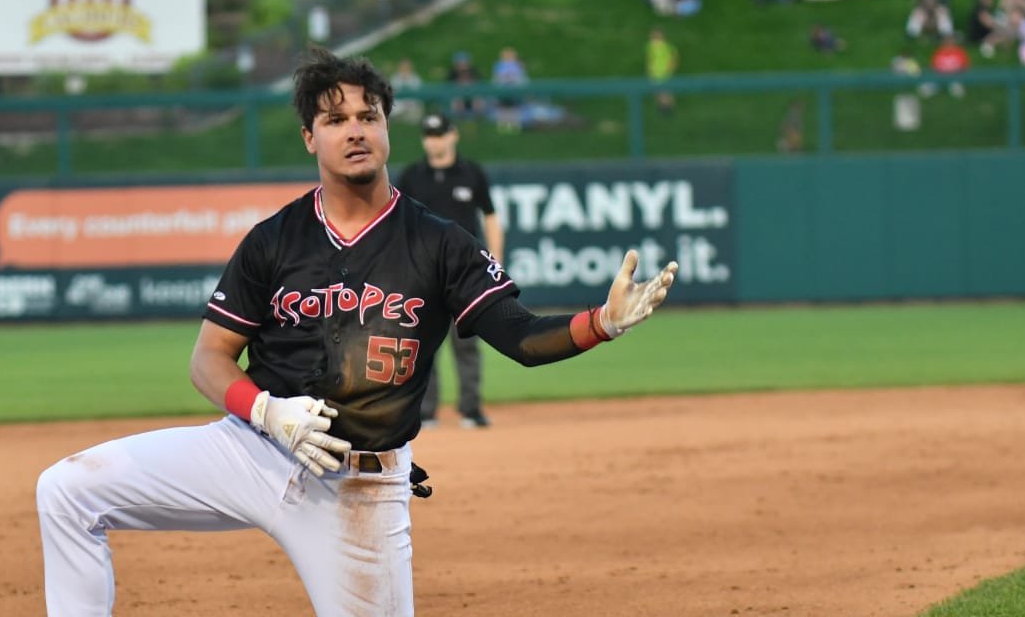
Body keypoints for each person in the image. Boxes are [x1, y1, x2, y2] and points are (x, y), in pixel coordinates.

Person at [35, 47, 679, 617]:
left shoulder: (437, 243)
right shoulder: (273, 240)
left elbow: (519, 337)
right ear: (309, 137)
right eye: (335, 119)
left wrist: (600, 324)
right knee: (67, 491)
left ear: (387, 129)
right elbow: (209, 359)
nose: (355, 131)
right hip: (253, 451)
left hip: (358, 489)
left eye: (368, 116)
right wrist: (265, 411)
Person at [395, 112, 504, 429]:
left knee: (467, 341)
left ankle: (471, 409)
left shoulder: (471, 173)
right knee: (423, 342)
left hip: (465, 270)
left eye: (440, 134)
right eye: (429, 135)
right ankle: (426, 412)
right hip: (424, 271)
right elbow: (398, 221)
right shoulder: (412, 176)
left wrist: (495, 258)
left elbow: (490, 216)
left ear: (453, 135)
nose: (435, 141)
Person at [646, 27, 678, 115]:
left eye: (658, 37)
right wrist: (650, 70)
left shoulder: (668, 46)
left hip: (665, 74)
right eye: (654, 37)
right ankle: (662, 108)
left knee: (666, 92)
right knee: (657, 92)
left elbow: (674, 58)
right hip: (655, 74)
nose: (656, 40)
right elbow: (650, 59)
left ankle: (669, 108)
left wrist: (670, 68)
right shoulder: (650, 47)